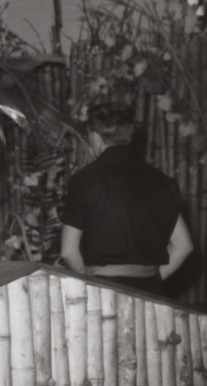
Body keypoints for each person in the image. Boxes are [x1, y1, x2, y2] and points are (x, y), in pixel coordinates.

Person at [60, 101, 193, 295]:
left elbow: (68, 251)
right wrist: (153, 282)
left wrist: (92, 280)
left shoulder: (84, 180)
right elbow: (184, 246)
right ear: (129, 137)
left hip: (103, 292)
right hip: (150, 291)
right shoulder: (163, 181)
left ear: (96, 138)